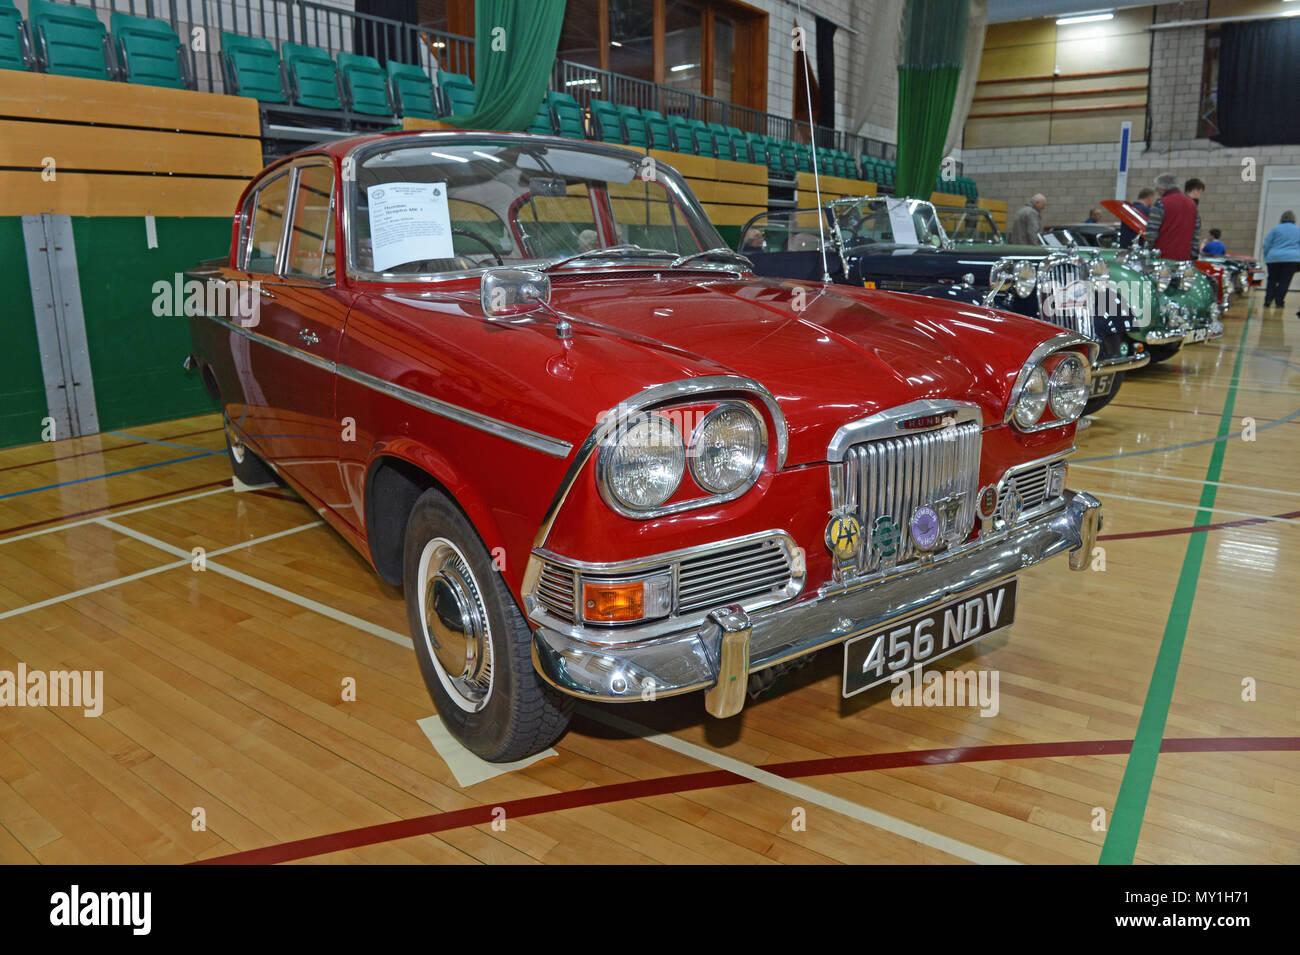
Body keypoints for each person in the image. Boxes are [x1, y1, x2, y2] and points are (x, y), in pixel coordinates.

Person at [1142, 173, 1200, 261]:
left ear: (1162, 189)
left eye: (1157, 189)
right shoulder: (1192, 204)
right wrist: (1193, 256)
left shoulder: (1161, 203)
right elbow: (1196, 235)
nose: (1157, 192)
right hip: (1184, 259)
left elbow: (1151, 233)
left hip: (1162, 258)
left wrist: (1147, 252)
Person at [1261, 210, 1300, 311]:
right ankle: (1279, 302)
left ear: (1282, 219)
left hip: (1274, 258)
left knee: (1272, 280)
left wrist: (1266, 256)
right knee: (1285, 281)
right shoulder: (1298, 230)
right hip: (1292, 259)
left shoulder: (1275, 229)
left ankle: (1268, 300)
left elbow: (1267, 244)